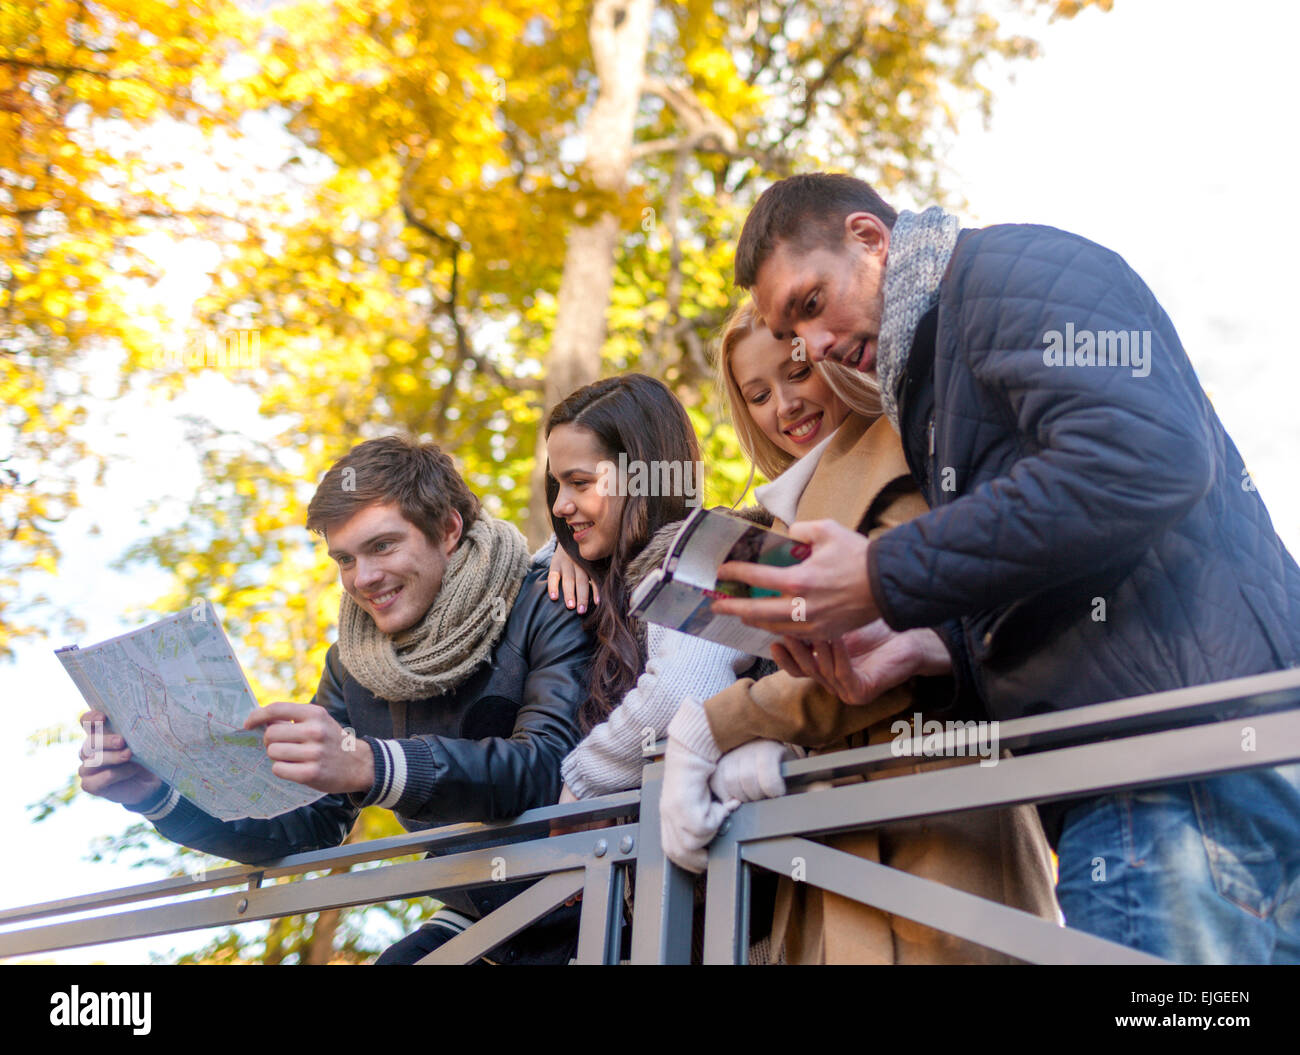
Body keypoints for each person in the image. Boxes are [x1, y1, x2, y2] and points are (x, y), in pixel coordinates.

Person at [701, 171, 1300, 964]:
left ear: (872, 239)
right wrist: (930, 647)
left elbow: (1146, 458)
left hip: (1177, 770)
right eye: (790, 334)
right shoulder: (933, 375)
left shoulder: (1009, 273)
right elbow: (1058, 556)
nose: (813, 347)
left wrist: (883, 571)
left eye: (810, 304)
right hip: (1156, 774)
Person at [77, 434, 593, 964]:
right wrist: (153, 794)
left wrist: (370, 764)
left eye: (382, 546)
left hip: (590, 905)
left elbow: (552, 768)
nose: (363, 579)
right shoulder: (352, 662)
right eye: (344, 558)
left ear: (448, 530)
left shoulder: (548, 598)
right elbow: (306, 827)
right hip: (477, 916)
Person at [660, 299, 1059, 963]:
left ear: (829, 355)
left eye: (796, 373)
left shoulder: (902, 453)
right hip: (830, 851)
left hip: (934, 833)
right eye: (757, 394)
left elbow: (884, 651)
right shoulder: (775, 521)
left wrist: (717, 725)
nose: (784, 406)